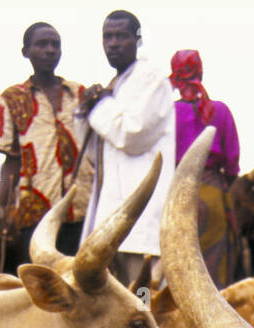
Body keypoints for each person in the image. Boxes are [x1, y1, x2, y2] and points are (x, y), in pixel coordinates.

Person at [76, 10, 175, 287]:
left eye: (121, 36)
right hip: (110, 219)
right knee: (117, 303)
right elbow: (94, 146)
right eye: (107, 37)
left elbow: (132, 135)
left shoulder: (152, 79)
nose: (113, 43)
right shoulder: (116, 84)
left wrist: (100, 106)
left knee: (143, 298)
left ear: (138, 39)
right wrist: (85, 110)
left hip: (141, 224)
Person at [0, 22, 85, 264]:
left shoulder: (80, 94)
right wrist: (0, 202)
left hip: (80, 210)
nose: (50, 50)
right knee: (41, 282)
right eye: (42, 44)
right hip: (35, 212)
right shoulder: (12, 98)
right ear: (26, 52)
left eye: (55, 44)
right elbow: (10, 160)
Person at [170, 48, 239, 287]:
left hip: (175, 193)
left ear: (175, 77)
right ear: (201, 72)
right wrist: (222, 184)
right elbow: (232, 165)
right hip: (212, 193)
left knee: (177, 259)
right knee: (214, 269)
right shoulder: (220, 111)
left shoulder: (167, 113)